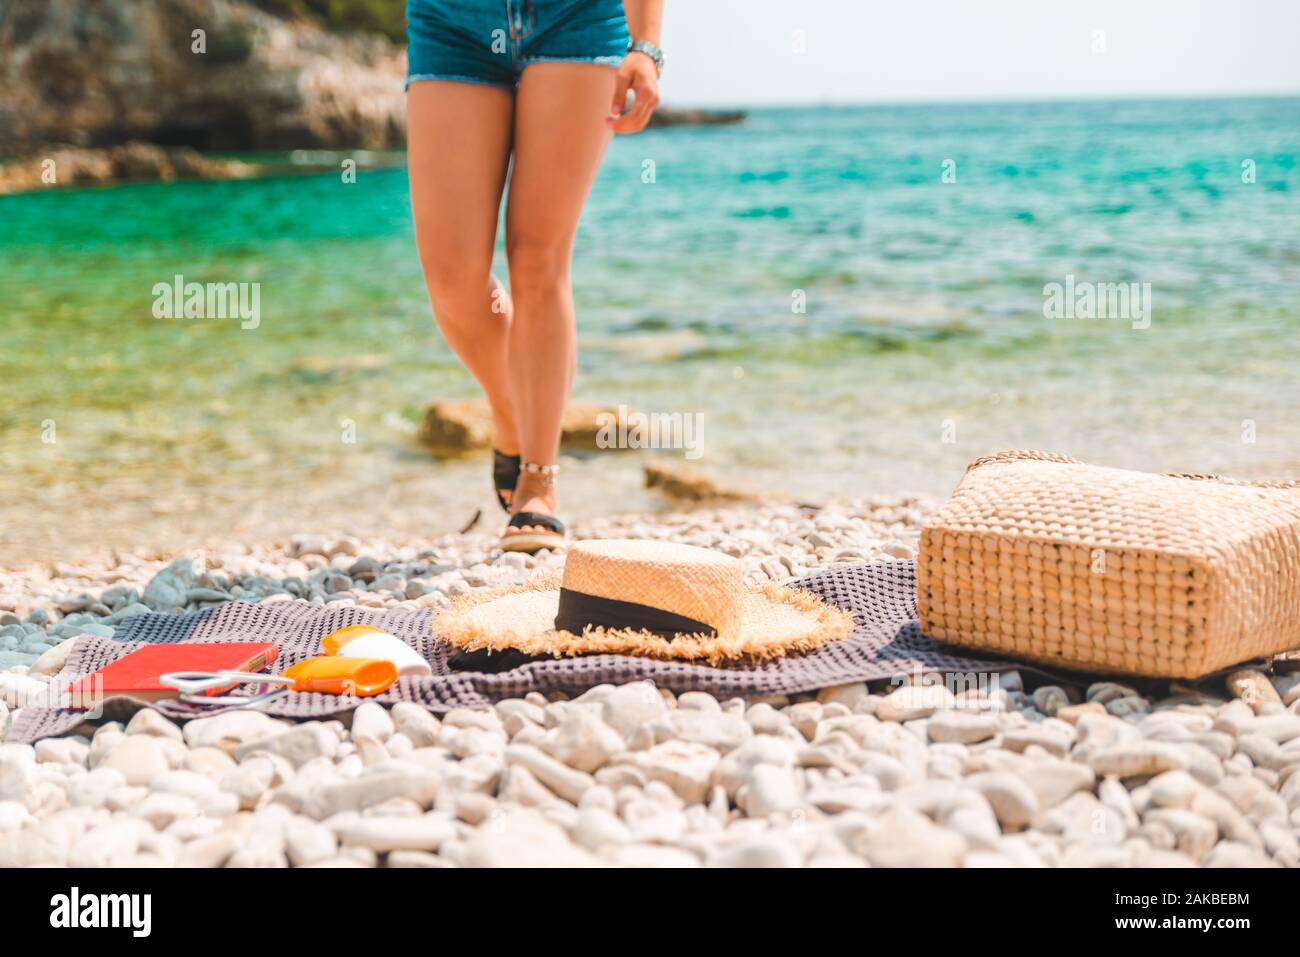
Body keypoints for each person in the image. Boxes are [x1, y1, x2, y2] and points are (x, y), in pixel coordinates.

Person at [406, 0, 664, 552]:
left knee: (537, 258)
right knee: (453, 279)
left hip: (577, 20)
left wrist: (645, 45)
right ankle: (510, 410)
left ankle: (537, 483)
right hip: (451, 20)